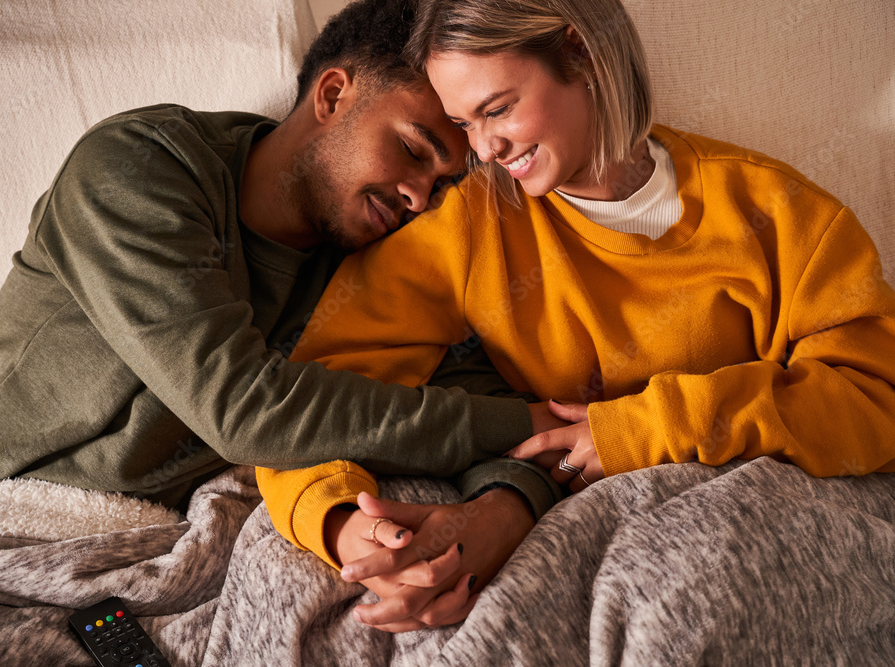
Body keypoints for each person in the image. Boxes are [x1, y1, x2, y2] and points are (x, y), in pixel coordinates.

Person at [257, 0, 895, 633]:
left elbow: (878, 397)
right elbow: (307, 400)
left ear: (579, 52)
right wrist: (353, 529)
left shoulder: (778, 213)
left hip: (752, 516)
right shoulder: (470, 224)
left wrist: (647, 426)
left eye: (497, 109)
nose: (484, 146)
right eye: (463, 122)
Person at [0, 0, 565, 572]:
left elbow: (483, 395)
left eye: (447, 182)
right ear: (334, 95)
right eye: (415, 150)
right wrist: (517, 422)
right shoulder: (140, 167)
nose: (422, 198)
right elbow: (244, 407)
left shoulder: (384, 257)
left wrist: (495, 510)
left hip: (148, 554)